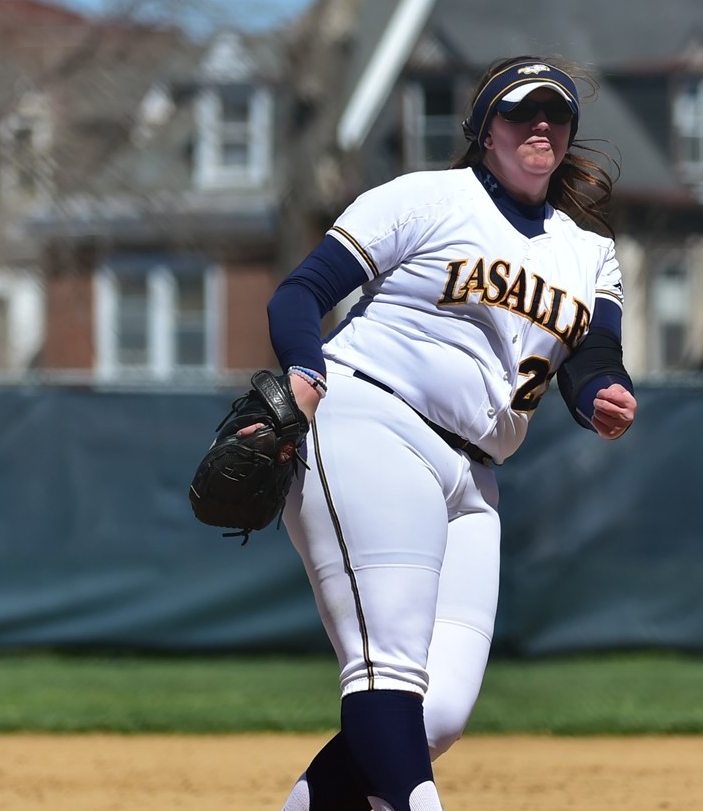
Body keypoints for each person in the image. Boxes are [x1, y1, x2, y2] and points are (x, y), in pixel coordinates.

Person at [264, 56, 637, 811]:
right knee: (387, 670)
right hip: (374, 423)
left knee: (436, 713)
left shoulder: (589, 253)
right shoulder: (427, 199)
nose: (540, 124)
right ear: (484, 129)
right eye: (520, 111)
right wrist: (304, 370)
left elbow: (592, 353)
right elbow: (301, 291)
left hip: (474, 474)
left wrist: (601, 392)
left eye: (556, 113)